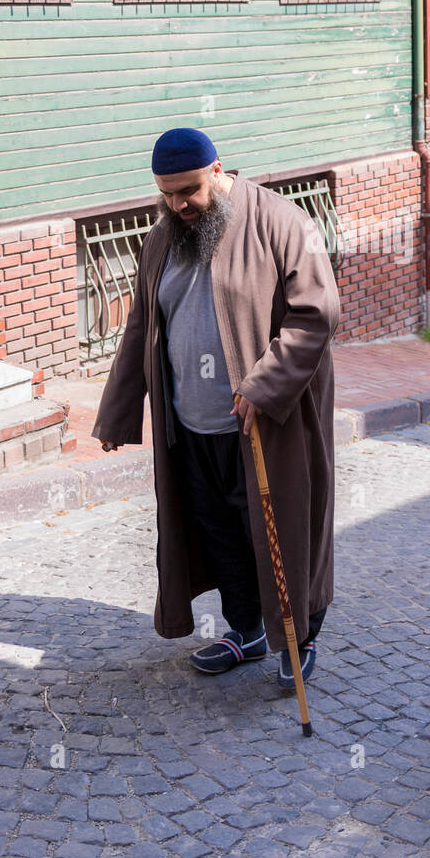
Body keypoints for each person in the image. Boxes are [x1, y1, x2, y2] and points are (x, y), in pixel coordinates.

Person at [92, 127, 340, 689]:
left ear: (219, 171)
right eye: (167, 194)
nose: (179, 205)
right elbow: (142, 329)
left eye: (189, 191)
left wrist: (262, 384)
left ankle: (297, 639)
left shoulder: (280, 222)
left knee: (281, 528)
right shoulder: (162, 239)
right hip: (191, 424)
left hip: (266, 424)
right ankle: (246, 630)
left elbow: (315, 315)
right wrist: (119, 411)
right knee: (221, 531)